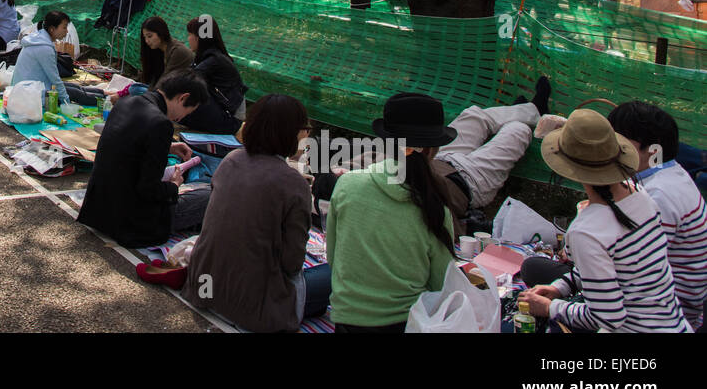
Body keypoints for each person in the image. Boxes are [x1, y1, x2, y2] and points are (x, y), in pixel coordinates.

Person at [520, 110, 691, 332]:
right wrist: (560, 287)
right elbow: (616, 267)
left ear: (569, 169)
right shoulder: (641, 195)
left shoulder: (586, 231)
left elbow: (608, 319)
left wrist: (550, 308)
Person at [186, 94, 330, 331]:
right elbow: (293, 263)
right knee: (336, 273)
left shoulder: (231, 159)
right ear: (292, 133)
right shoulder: (294, 184)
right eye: (305, 129)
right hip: (254, 306)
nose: (307, 136)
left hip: (203, 286)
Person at [326, 94, 457, 332]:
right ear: (433, 149)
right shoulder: (435, 207)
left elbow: (334, 258)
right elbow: (442, 286)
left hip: (347, 321)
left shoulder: (348, 185)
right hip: (407, 324)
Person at [77, 72, 211, 247]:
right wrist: (173, 185)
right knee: (209, 196)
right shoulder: (161, 124)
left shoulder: (126, 102)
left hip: (98, 210)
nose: (183, 118)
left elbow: (127, 146)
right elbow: (149, 189)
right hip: (130, 221)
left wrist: (167, 147)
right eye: (188, 111)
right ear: (183, 98)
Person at [606, 101, 706, 330]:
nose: (612, 148)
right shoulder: (672, 172)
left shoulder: (657, 195)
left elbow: (633, 269)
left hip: (665, 312)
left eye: (621, 141)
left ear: (653, 151)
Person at [428, 79, 550, 234]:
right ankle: (522, 113)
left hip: (441, 158)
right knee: (517, 130)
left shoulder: (391, 172)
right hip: (470, 181)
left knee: (473, 115)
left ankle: (530, 110)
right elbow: (441, 230)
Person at [12, 11, 107, 109]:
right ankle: (109, 99)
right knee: (74, 93)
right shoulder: (44, 48)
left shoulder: (38, 39)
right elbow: (55, 79)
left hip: (29, 88)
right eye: (64, 27)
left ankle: (105, 93)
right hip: (30, 96)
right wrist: (67, 103)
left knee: (73, 87)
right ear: (52, 29)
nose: (66, 32)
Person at [184, 17, 246, 134]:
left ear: (198, 37)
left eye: (189, 34)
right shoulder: (206, 57)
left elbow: (187, 82)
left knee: (183, 101)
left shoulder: (214, 60)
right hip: (224, 112)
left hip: (230, 120)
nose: (188, 38)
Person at [138, 17, 194, 89]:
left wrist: (148, 97)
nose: (147, 41)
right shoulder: (158, 49)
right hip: (164, 90)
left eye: (149, 36)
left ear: (160, 32)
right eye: (144, 37)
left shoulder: (177, 51)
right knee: (134, 88)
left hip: (178, 92)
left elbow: (165, 83)